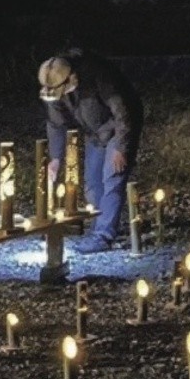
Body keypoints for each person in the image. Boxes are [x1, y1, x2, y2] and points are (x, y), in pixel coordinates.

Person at [39, 49, 143, 254]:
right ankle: (98, 225)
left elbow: (123, 111)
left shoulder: (98, 76)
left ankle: (104, 235)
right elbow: (55, 124)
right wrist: (56, 158)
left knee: (112, 178)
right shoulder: (54, 87)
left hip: (118, 128)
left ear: (71, 78)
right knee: (92, 183)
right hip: (94, 132)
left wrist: (121, 147)